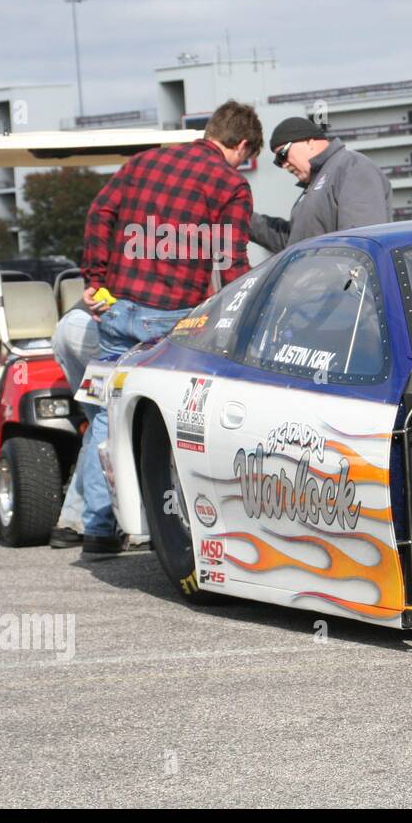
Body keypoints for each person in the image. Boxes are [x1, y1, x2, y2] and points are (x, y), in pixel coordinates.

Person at [78, 100, 261, 555]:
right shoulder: (230, 184)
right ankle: (174, 524)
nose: (243, 164)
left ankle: (98, 530)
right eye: (246, 155)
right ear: (239, 144)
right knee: (176, 419)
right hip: (177, 317)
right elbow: (232, 260)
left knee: (106, 414)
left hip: (118, 309)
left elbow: (99, 213)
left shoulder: (144, 162)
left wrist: (94, 280)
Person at [250, 117, 391, 252]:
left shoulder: (352, 167)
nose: (284, 164)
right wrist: (240, 216)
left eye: (282, 154)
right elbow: (292, 242)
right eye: (278, 162)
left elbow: (361, 243)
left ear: (309, 142)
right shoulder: (317, 181)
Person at [47, 305, 99, 548]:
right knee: (110, 423)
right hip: (96, 328)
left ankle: (72, 521)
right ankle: (101, 524)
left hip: (71, 323)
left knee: (99, 423)